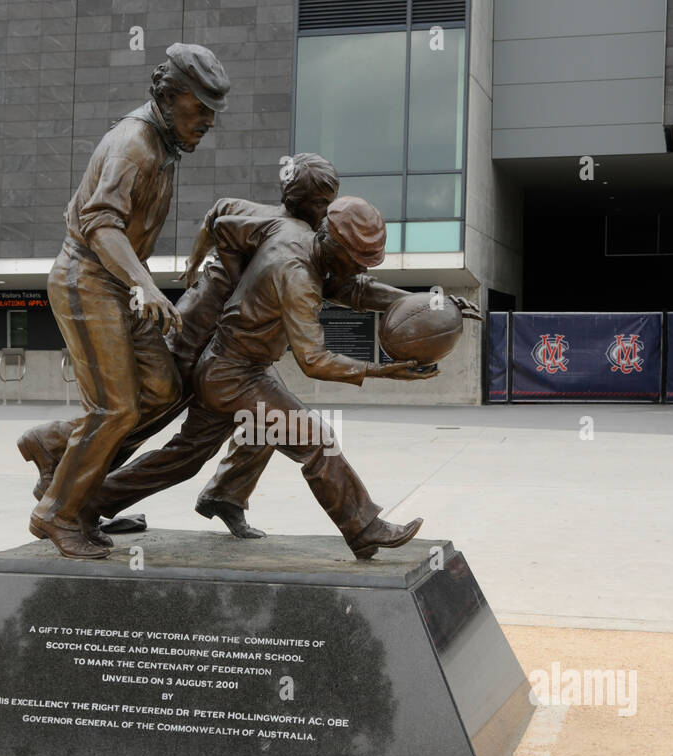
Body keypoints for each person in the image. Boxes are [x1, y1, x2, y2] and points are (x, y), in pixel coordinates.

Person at [96, 196, 435, 559]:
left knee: (186, 458)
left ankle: (98, 502)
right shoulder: (298, 277)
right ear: (334, 245)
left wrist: (427, 303)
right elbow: (314, 360)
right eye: (357, 260)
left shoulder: (296, 234)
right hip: (235, 376)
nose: (359, 269)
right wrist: (383, 370)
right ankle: (364, 528)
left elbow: (223, 222)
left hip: (227, 368)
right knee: (316, 439)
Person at [17, 43, 230, 559]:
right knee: (114, 408)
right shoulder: (134, 142)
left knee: (161, 392)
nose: (206, 122)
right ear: (170, 95)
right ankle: (57, 514)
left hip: (120, 284)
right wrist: (147, 285)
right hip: (87, 281)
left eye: (212, 113)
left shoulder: (164, 144)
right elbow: (99, 223)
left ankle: (55, 445)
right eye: (198, 108)